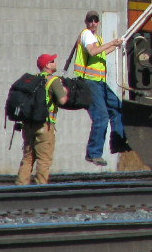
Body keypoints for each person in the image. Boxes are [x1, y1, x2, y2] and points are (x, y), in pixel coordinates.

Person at [74, 10, 126, 166]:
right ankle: (94, 153)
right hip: (90, 82)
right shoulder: (87, 35)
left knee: (117, 107)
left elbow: (100, 53)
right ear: (86, 22)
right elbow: (93, 51)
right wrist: (111, 43)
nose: (93, 23)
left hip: (99, 82)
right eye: (90, 21)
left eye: (95, 21)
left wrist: (116, 46)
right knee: (101, 117)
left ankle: (119, 141)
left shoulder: (96, 38)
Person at [16, 53, 68, 185]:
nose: (55, 62)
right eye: (52, 61)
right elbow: (62, 101)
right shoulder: (53, 80)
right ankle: (40, 188)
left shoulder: (32, 80)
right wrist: (65, 91)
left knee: (28, 158)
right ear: (47, 65)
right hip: (45, 125)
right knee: (44, 159)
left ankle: (20, 186)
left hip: (28, 125)